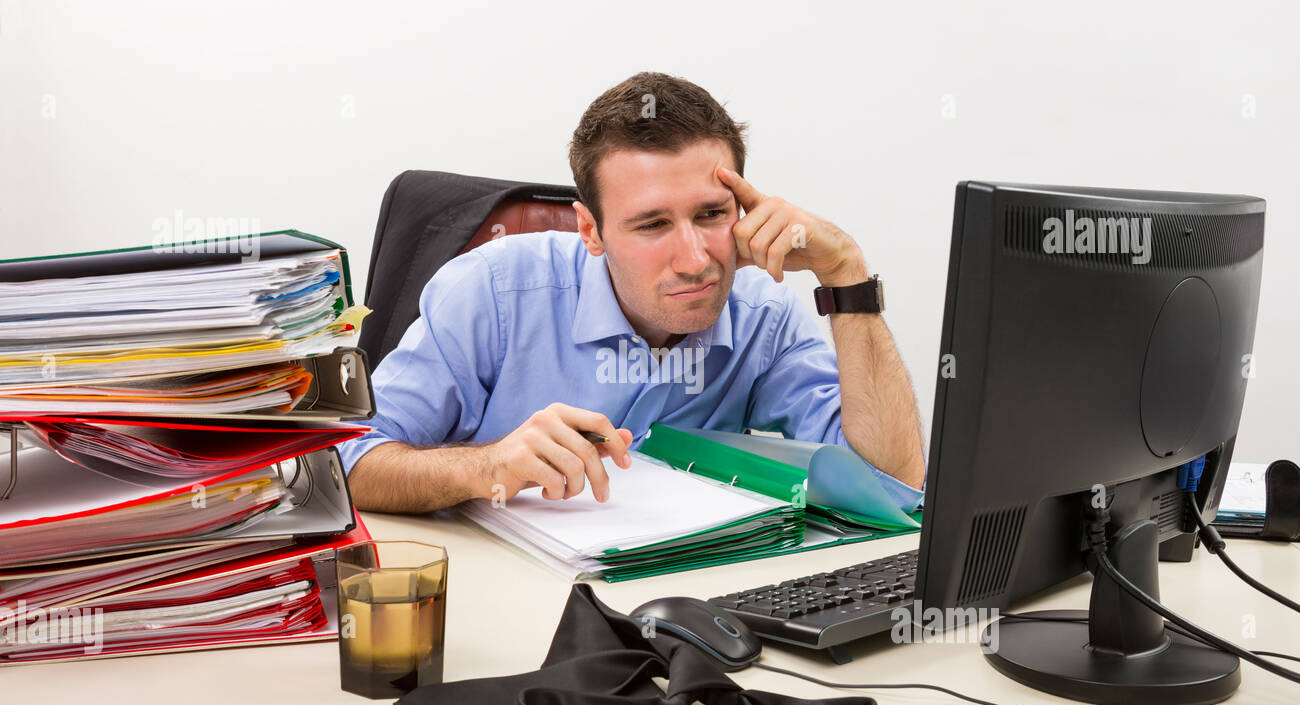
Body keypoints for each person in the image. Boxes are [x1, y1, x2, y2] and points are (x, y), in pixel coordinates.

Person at [339, 71, 927, 514]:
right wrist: (485, 464)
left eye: (711, 214)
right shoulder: (492, 291)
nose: (696, 260)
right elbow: (346, 464)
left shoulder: (762, 316)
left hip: (673, 604)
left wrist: (847, 276)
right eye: (651, 225)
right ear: (590, 230)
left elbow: (893, 487)